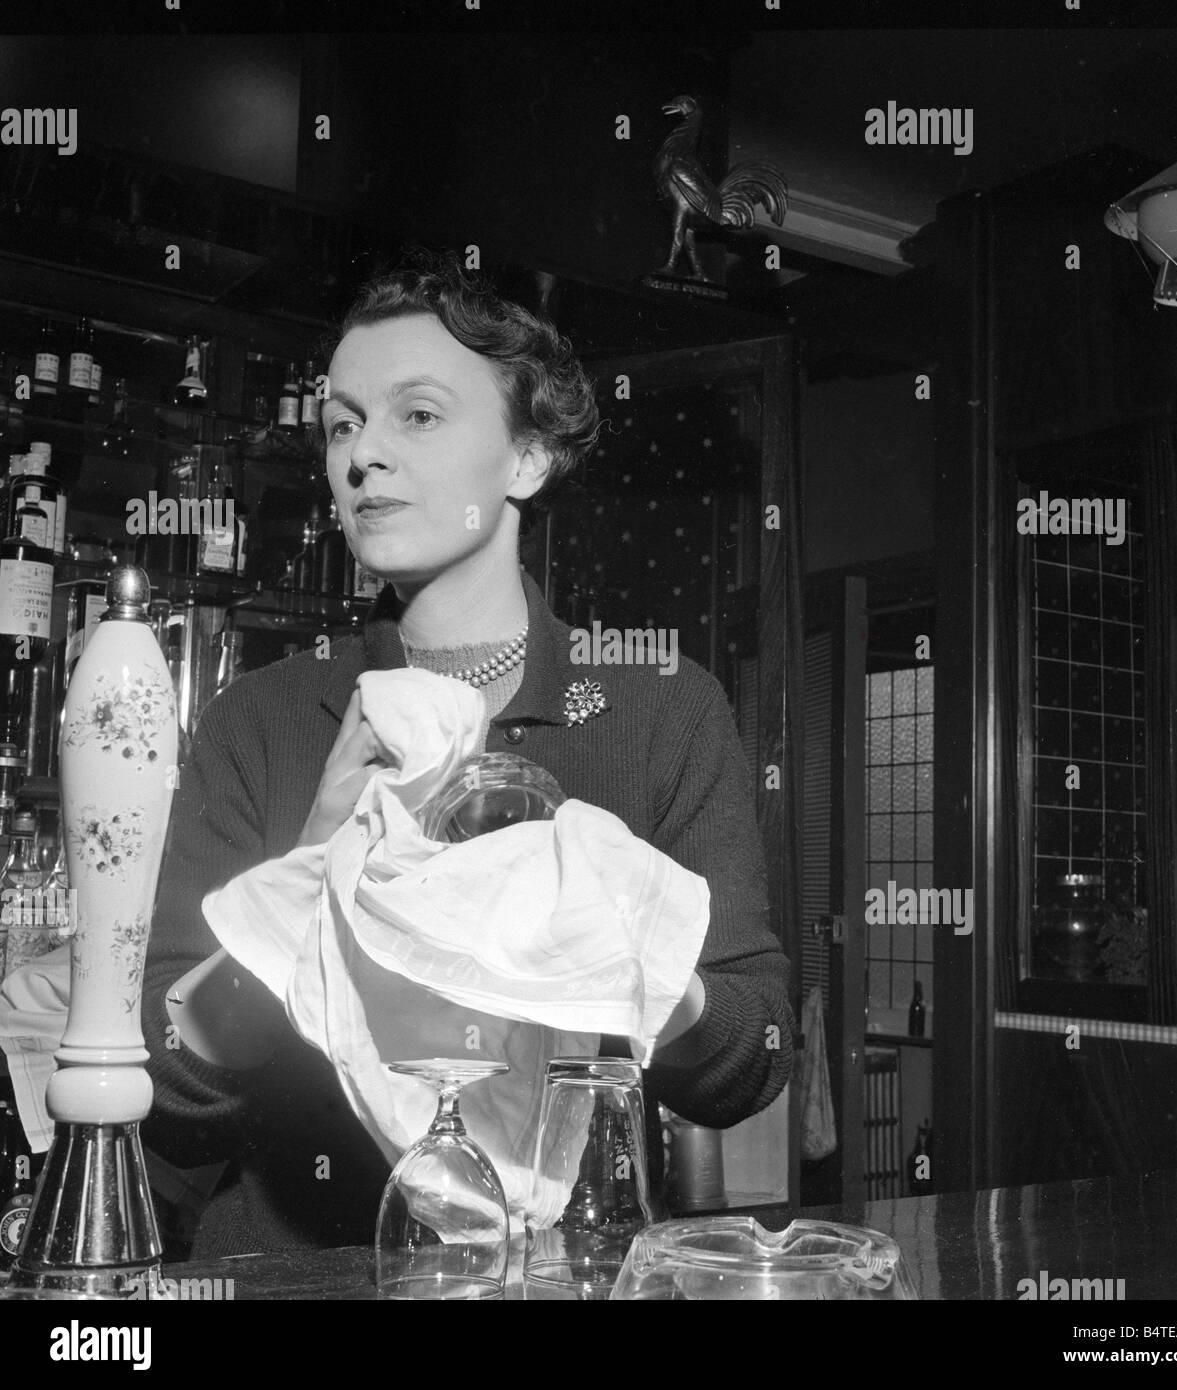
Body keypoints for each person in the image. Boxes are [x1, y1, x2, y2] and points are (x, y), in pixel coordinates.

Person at [140, 251, 794, 1256]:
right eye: (343, 424)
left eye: (419, 415)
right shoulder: (260, 722)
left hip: (568, 1270)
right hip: (301, 1277)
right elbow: (174, 1075)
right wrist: (310, 870)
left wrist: (633, 953)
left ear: (528, 459)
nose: (364, 457)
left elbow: (750, 1058)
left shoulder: (663, 712)